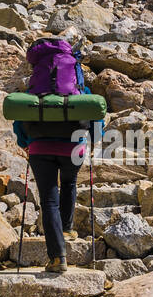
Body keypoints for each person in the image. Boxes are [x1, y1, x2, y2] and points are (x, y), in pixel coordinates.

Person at [12, 35, 98, 273]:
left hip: (40, 146)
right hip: (74, 146)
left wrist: (25, 142)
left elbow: (21, 118)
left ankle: (57, 258)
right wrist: (90, 140)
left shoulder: (35, 85)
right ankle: (68, 228)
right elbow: (93, 113)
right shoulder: (76, 82)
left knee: (48, 199)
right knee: (69, 182)